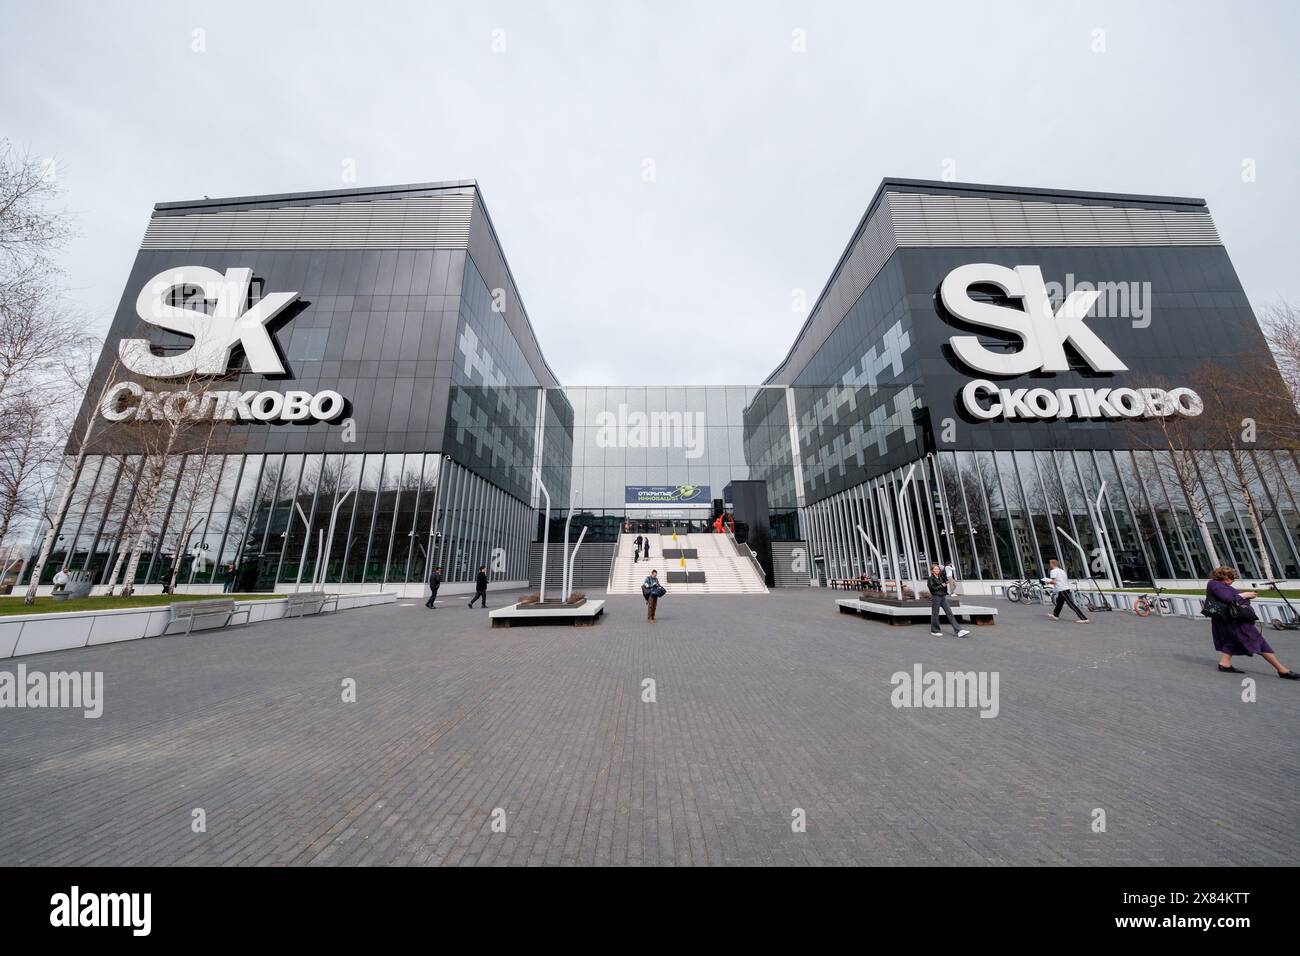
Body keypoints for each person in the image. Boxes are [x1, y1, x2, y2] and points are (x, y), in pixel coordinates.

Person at [1205, 567, 1298, 679]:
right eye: (1231, 578)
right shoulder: (1216, 585)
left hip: (1228, 620)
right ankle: (1282, 670)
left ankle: (1224, 664)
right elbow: (1228, 598)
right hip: (1234, 621)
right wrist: (1245, 595)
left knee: (1231, 641)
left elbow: (1231, 598)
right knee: (1258, 642)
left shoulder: (1218, 585)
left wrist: (1245, 596)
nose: (1233, 581)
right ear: (1224, 577)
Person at [928, 563, 970, 638]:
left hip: (943, 597)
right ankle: (934, 630)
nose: (937, 570)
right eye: (935, 569)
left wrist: (945, 583)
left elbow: (946, 581)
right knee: (935, 614)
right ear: (932, 571)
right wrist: (942, 585)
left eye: (938, 569)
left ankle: (958, 631)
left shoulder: (941, 577)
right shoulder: (930, 579)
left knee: (949, 613)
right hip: (936, 597)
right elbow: (932, 589)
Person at [1043, 558, 1089, 623]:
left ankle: (1084, 618)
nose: (1049, 565)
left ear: (1052, 564)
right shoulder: (1062, 571)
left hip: (1062, 589)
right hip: (1065, 588)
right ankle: (1055, 615)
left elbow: (1054, 582)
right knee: (1059, 602)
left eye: (1050, 563)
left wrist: (1046, 581)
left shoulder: (1053, 571)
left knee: (1071, 604)